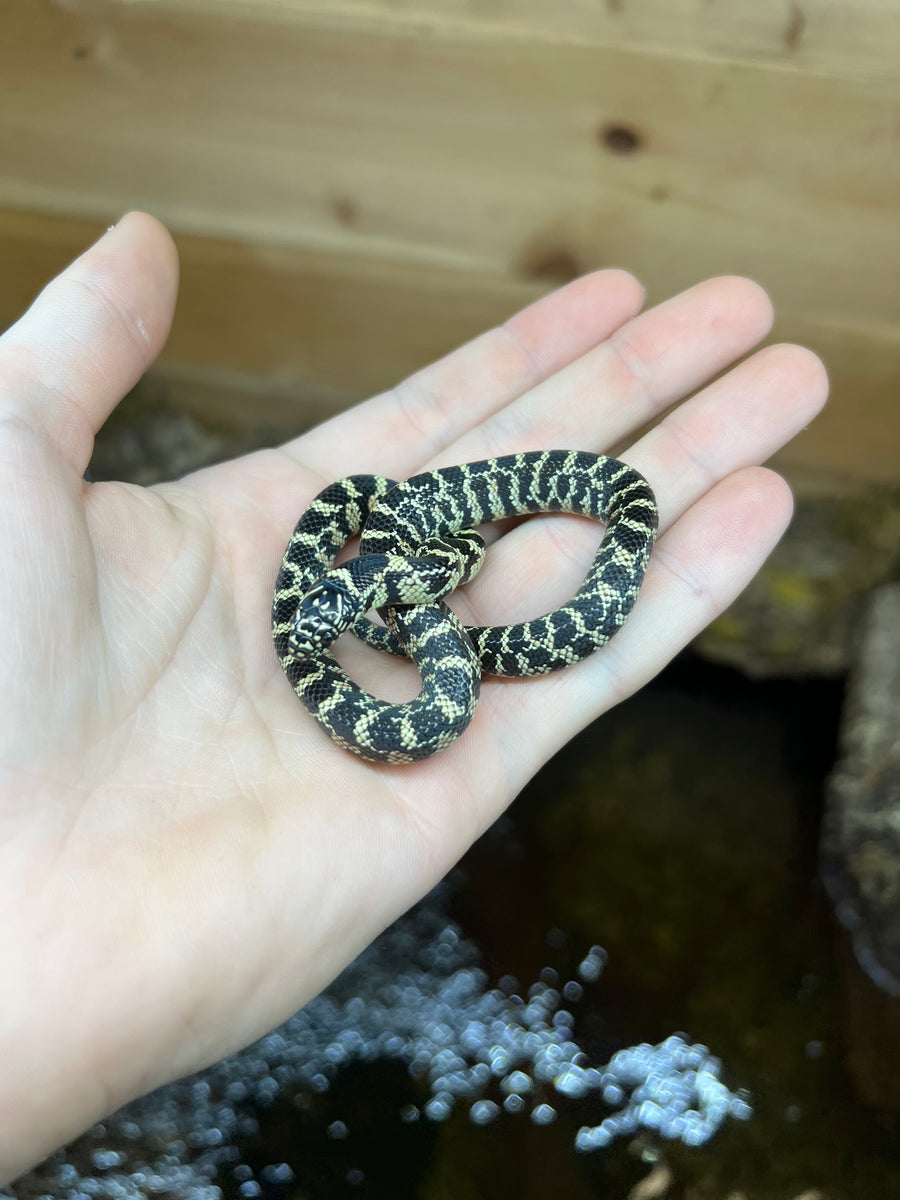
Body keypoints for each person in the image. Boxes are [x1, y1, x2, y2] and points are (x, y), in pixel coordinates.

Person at [0, 212, 827, 1183]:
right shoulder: (380, 569)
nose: (318, 625)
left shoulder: (430, 581)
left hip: (430, 567)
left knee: (586, 537)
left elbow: (437, 587)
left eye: (336, 611)